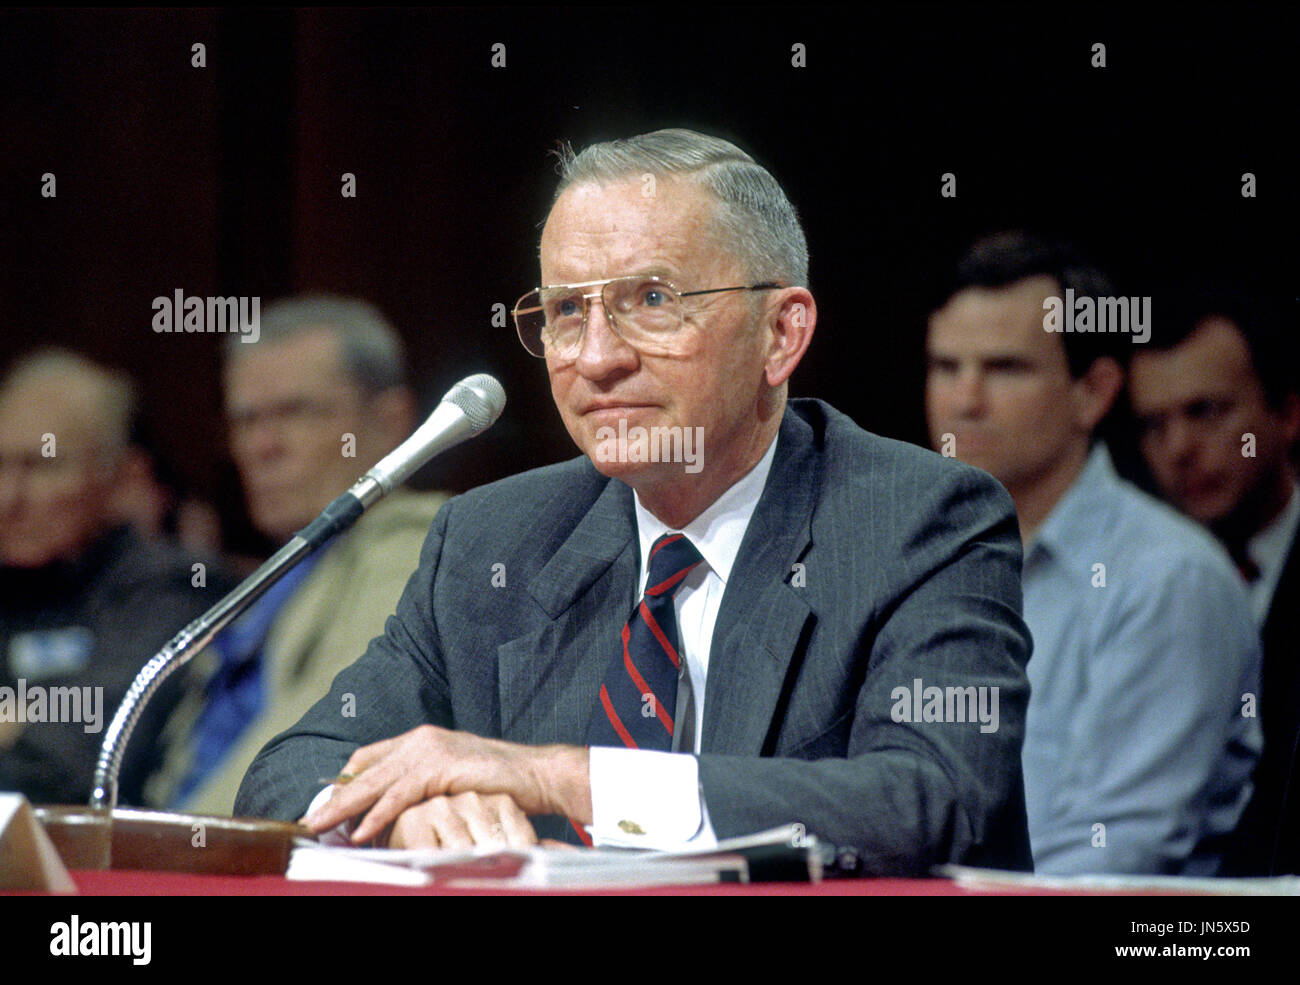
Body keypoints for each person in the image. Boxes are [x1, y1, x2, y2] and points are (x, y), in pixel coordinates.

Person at [236, 129, 1034, 875]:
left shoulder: (917, 520)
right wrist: (407, 814)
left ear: (780, 335)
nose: (597, 358)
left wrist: (560, 778)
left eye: (652, 301)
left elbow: (937, 797)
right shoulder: (492, 542)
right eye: (565, 313)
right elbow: (293, 766)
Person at [925, 231, 1262, 875]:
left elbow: (1112, 853)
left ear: (1094, 391)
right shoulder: (918, 561)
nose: (964, 400)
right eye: (946, 367)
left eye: (1005, 368)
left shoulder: (1169, 577)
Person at [150, 296, 448, 814]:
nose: (262, 446)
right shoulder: (278, 569)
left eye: (295, 412)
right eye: (246, 420)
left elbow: (315, 747)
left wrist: (149, 849)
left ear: (391, 420)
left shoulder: (419, 547)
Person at [0, 350, 235, 806]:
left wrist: (25, 720)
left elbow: (74, 766)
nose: (9, 498)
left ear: (121, 477)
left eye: (42, 465)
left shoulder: (173, 588)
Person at [1128, 286, 1300, 874]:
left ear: (1287, 414)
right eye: (1154, 424)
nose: (1178, 448)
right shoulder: (1137, 582)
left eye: (1206, 412)